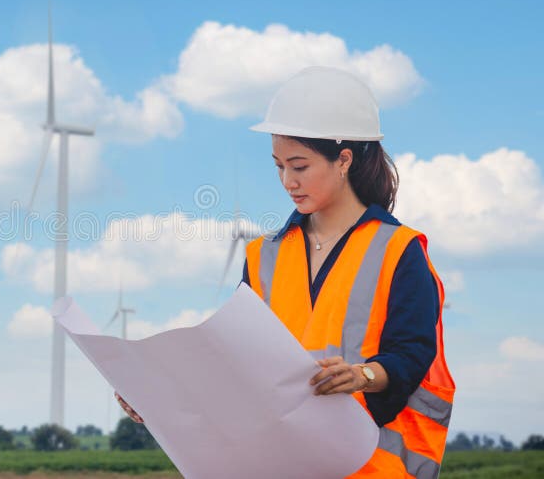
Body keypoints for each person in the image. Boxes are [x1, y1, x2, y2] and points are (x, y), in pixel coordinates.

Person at [117, 67, 455, 478]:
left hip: (370, 465)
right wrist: (158, 398)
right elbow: (233, 363)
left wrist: (362, 375)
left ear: (343, 159)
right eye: (278, 166)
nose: (287, 182)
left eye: (299, 166)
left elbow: (412, 354)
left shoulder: (400, 250)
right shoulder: (263, 257)